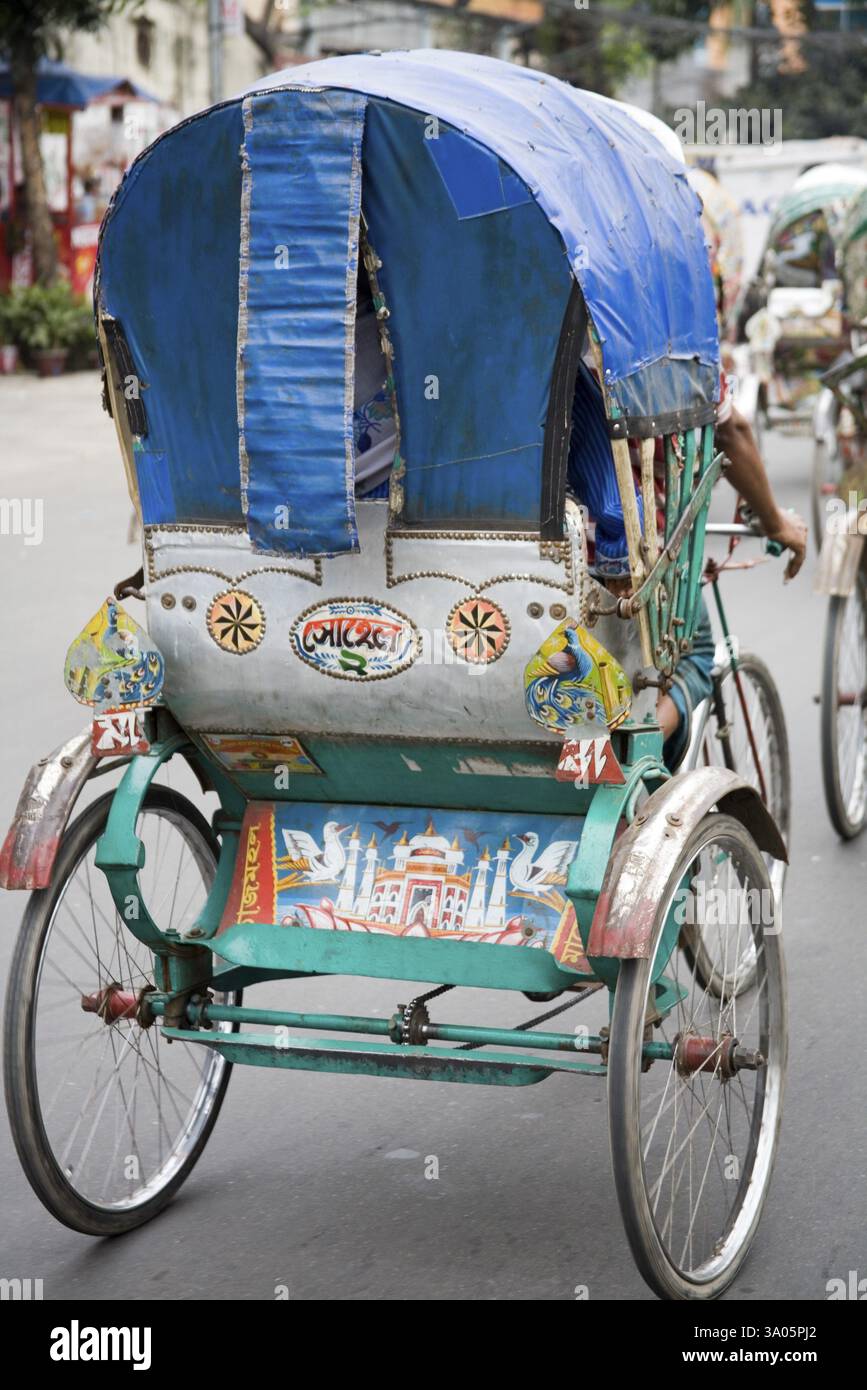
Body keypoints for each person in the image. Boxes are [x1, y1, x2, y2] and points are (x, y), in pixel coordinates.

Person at [567, 351, 807, 767]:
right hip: (633, 563)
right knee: (696, 653)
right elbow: (731, 432)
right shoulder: (672, 347)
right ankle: (629, 754)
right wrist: (776, 523)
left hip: (536, 561)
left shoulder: (543, 348)